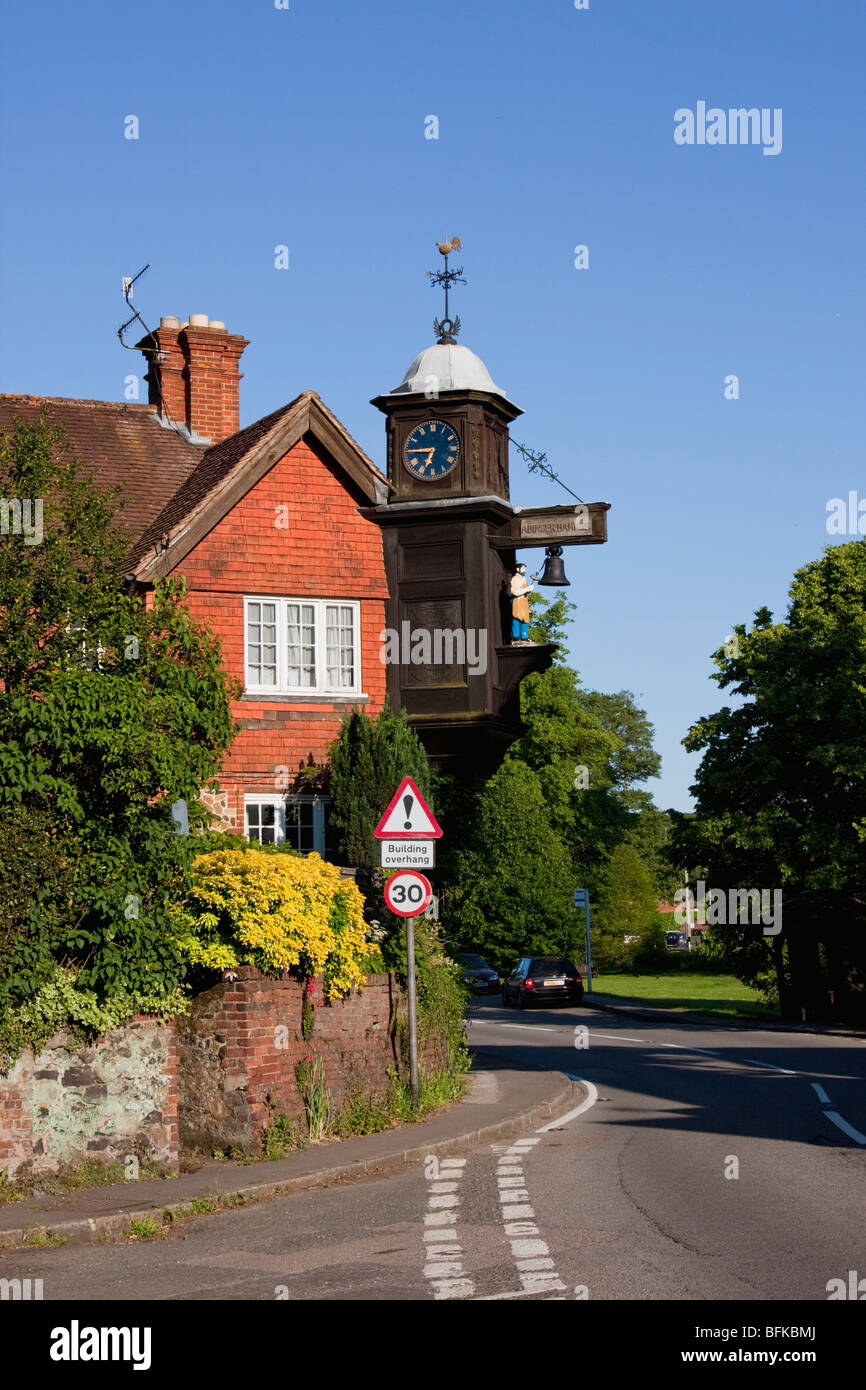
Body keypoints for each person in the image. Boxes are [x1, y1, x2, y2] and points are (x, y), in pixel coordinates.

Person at [510, 563, 534, 644]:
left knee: (525, 619)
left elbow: (525, 593)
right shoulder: (515, 579)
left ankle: (524, 636)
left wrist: (529, 590)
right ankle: (515, 637)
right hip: (517, 601)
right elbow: (514, 592)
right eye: (523, 568)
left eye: (525, 569)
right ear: (518, 569)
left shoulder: (523, 579)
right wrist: (527, 589)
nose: (525, 570)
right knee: (516, 618)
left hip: (523, 602)